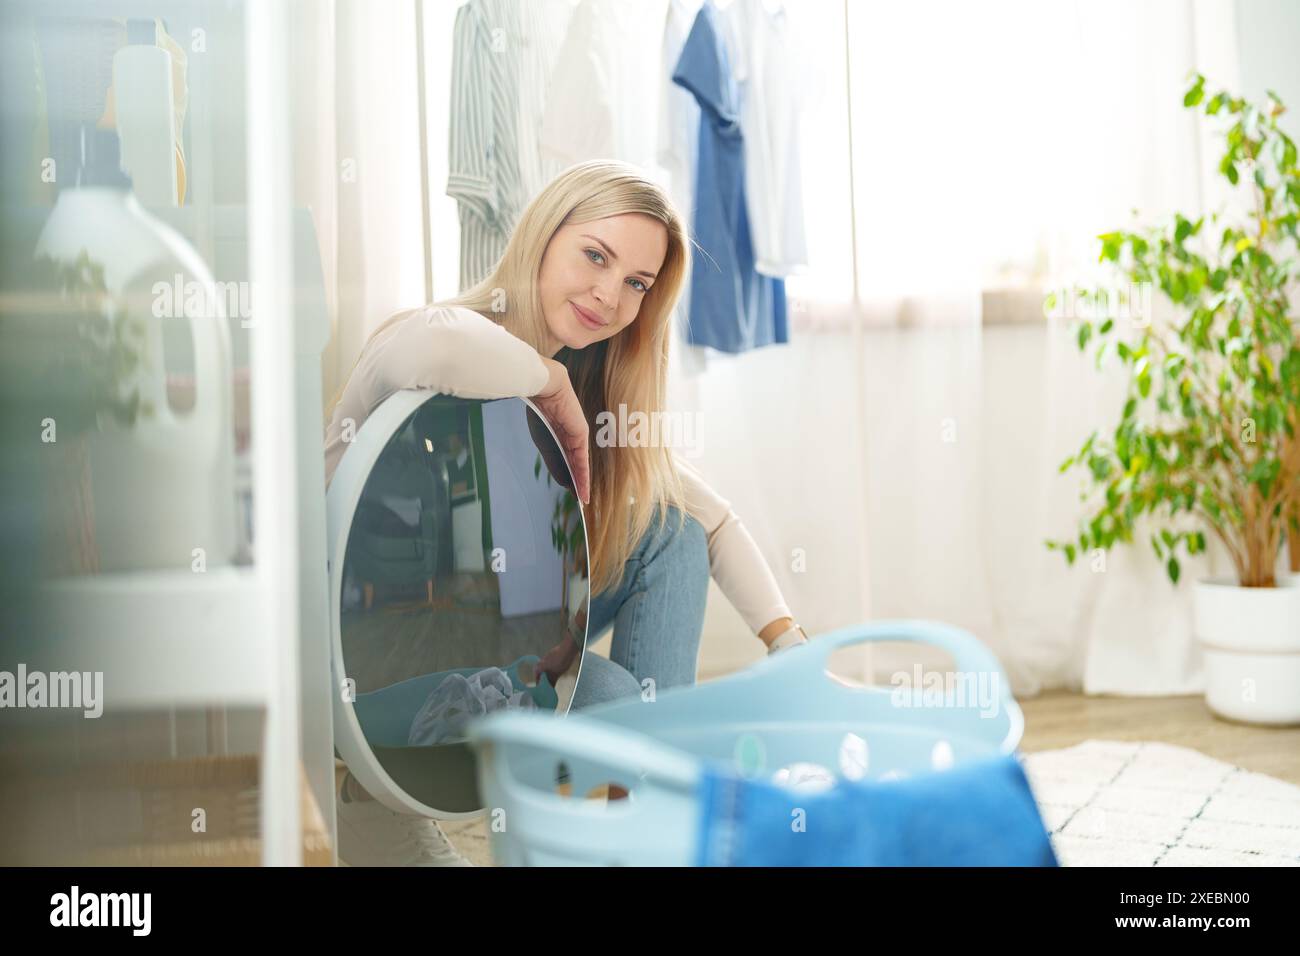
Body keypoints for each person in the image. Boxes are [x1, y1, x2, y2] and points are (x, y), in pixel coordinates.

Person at [324, 160, 810, 866]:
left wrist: (791, 647)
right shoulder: (445, 337)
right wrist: (548, 379)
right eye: (595, 256)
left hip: (491, 625)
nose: (611, 294)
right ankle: (632, 790)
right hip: (371, 650)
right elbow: (431, 345)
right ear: (545, 235)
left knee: (669, 531)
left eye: (637, 283)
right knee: (612, 698)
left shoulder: (590, 396)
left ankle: (646, 804)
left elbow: (713, 521)